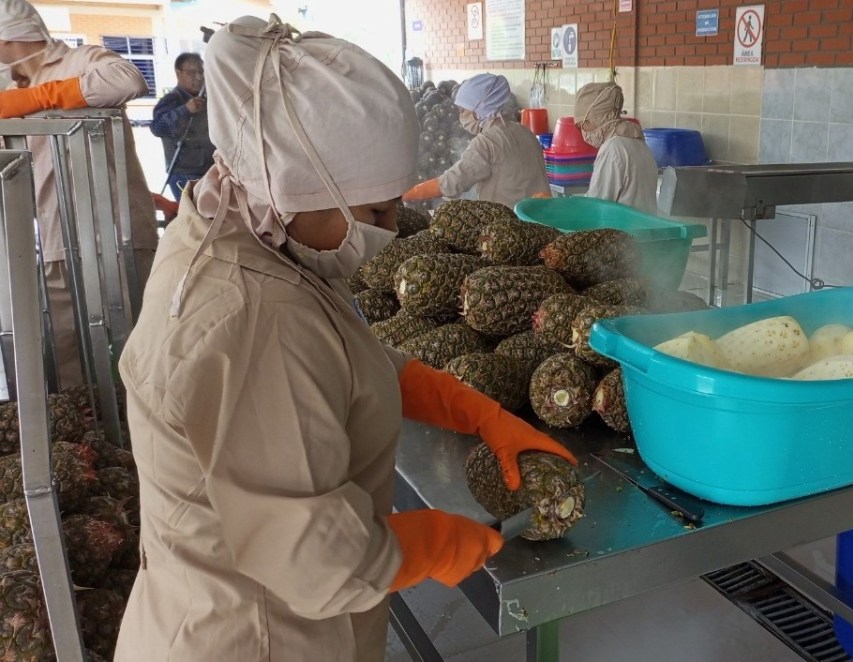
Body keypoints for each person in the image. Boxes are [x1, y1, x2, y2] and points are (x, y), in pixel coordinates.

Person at [114, 16, 576, 661]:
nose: (388, 228)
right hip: (255, 639)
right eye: (376, 211)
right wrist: (438, 543)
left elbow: (335, 355)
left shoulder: (238, 222)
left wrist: (473, 411)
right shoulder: (252, 315)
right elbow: (317, 560)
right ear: (299, 187)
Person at [0, 0, 159, 387]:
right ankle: (88, 440)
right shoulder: (8, 85)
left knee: (138, 347)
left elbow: (128, 81)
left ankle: (145, 435)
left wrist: (42, 98)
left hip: (116, 237)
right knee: (67, 350)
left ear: (7, 40)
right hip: (55, 238)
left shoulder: (82, 60)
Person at [401, 73, 550, 207]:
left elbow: (452, 183)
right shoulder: (525, 131)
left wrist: (407, 194)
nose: (461, 116)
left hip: (509, 227)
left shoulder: (486, 142)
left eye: (463, 111)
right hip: (540, 220)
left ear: (480, 110)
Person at [574, 81, 659, 214]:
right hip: (644, 229)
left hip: (623, 232)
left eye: (583, 125)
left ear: (596, 119)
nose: (583, 132)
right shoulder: (638, 143)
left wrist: (569, 206)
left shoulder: (613, 149)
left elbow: (598, 203)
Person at [150, 52, 215, 201]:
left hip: (210, 168)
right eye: (191, 73)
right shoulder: (172, 100)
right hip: (184, 172)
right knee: (193, 218)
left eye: (201, 72)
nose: (198, 77)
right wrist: (184, 110)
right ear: (178, 73)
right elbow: (157, 128)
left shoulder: (208, 98)